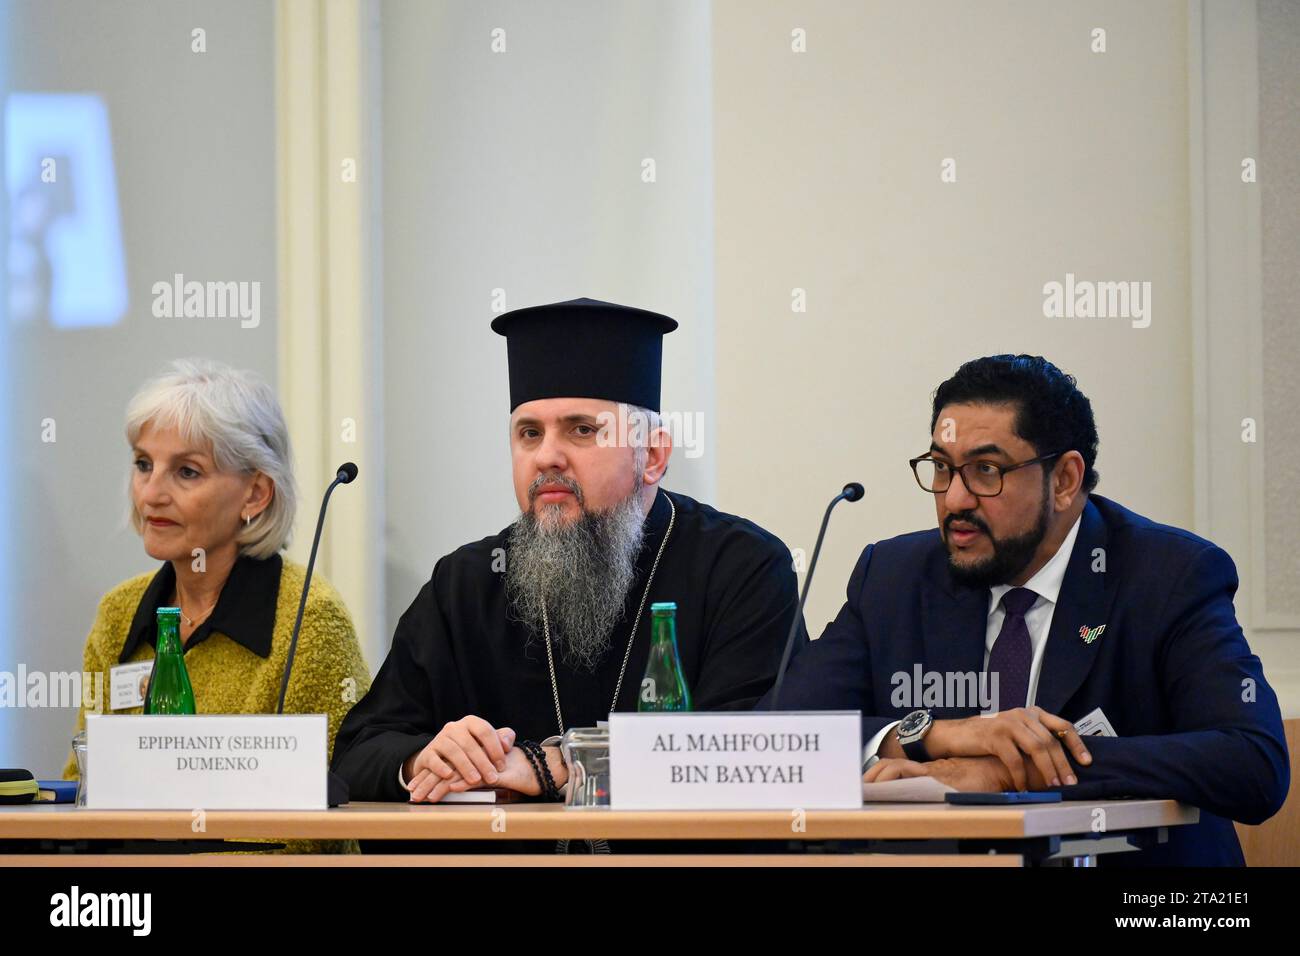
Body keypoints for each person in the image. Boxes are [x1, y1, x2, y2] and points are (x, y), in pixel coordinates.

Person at [763, 354, 1289, 866]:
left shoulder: (1168, 575)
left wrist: (1011, 771)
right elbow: (777, 736)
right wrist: (931, 736)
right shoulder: (895, 576)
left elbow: (1251, 762)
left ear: (1063, 480)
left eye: (986, 470)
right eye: (942, 469)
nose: (954, 500)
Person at [332, 298, 804, 814]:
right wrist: (424, 758)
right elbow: (358, 752)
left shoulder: (743, 568)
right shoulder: (465, 584)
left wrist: (561, 764)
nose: (546, 456)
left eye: (582, 430)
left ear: (652, 456)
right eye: (529, 433)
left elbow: (765, 749)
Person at [62, 359, 371, 853]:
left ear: (255, 492)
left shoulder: (309, 619)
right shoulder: (118, 613)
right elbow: (84, 788)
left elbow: (334, 822)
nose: (152, 494)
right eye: (144, 464)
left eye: (186, 471)